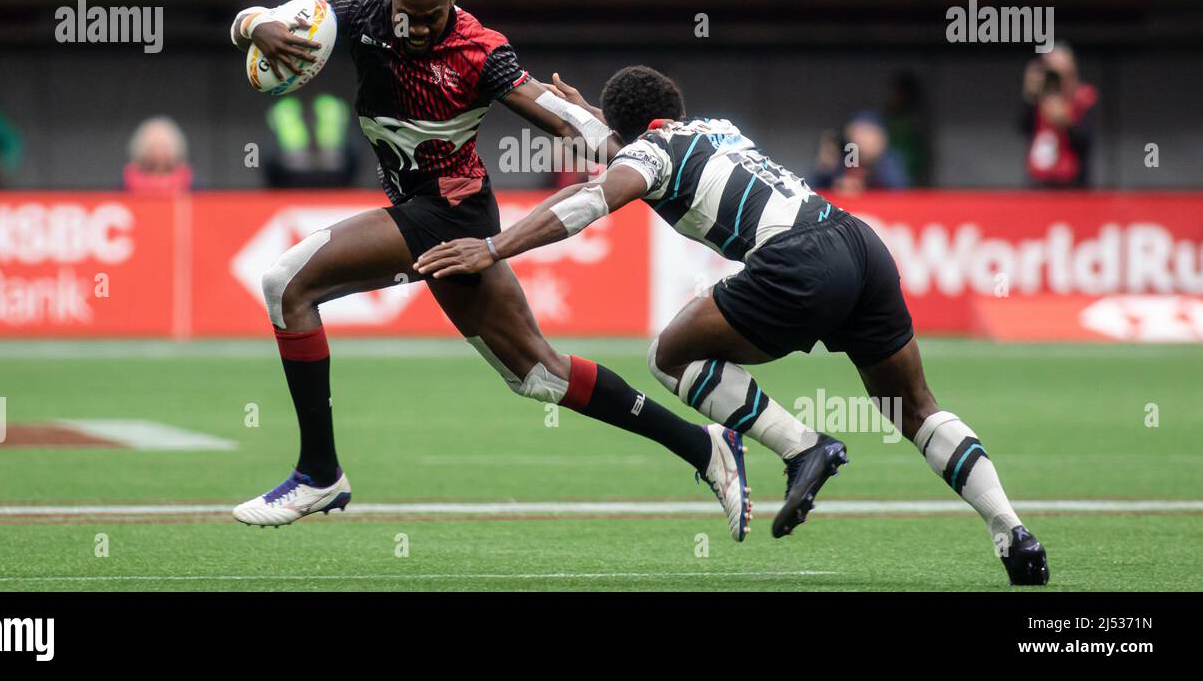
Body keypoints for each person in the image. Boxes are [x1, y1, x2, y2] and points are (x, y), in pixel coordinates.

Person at [416, 65, 1050, 586]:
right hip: (859, 242)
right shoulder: (717, 128)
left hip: (798, 263)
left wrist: (493, 247)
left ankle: (804, 446)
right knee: (914, 406)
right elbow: (632, 156)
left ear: (629, 128)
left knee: (670, 356)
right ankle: (1013, 534)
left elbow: (594, 196)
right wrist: (598, 127)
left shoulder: (651, 154)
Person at [227, 0, 751, 538]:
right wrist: (258, 24)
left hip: (445, 212)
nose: (417, 28)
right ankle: (705, 446)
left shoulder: (479, 51)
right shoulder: (365, 5)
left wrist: (651, 153)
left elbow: (556, 115)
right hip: (432, 212)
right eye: (407, 14)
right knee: (539, 374)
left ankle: (318, 472)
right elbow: (275, 17)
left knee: (286, 285)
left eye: (432, 15)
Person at [1020, 44, 1097, 189]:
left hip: (1071, 180)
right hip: (1039, 177)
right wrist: (1030, 94)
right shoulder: (1040, 97)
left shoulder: (1083, 96)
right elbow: (1024, 126)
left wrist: (1064, 122)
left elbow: (1085, 140)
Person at [123, 116, 193, 194]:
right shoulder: (128, 180)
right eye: (153, 147)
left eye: (163, 146)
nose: (158, 152)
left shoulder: (188, 181)